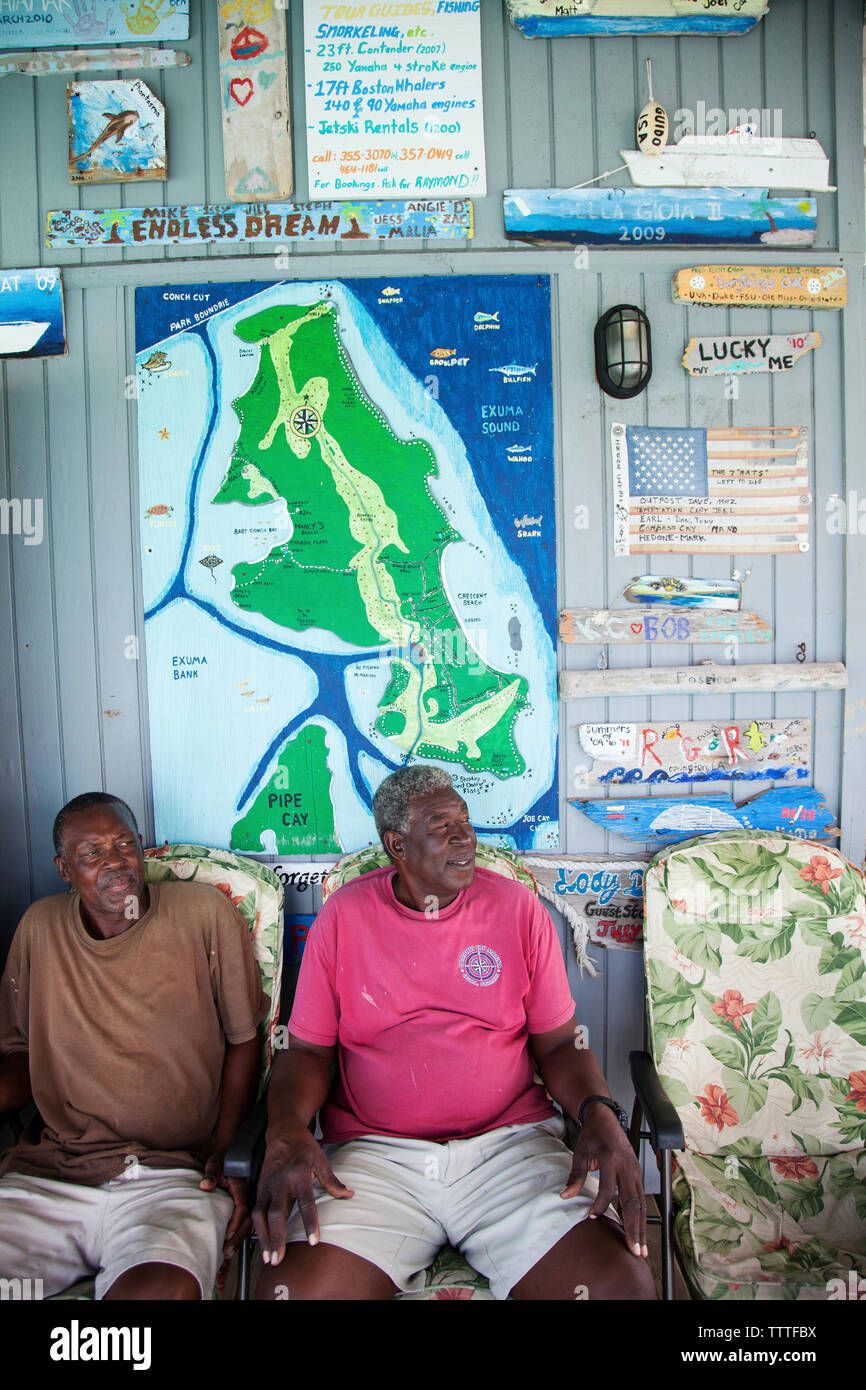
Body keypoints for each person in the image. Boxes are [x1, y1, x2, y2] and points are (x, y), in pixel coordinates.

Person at [254, 766, 655, 1301]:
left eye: (464, 820)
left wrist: (600, 1112)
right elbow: (306, 1052)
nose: (464, 836)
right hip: (375, 1159)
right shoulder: (342, 919)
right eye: (441, 825)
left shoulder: (518, 911)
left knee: (618, 1288)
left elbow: (560, 1043)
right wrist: (285, 1128)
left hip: (509, 1152)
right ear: (396, 844)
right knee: (292, 1295)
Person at [0, 792, 268, 1300]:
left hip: (173, 1175)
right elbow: (18, 1051)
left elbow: (244, 1040)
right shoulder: (39, 927)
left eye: (124, 843)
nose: (114, 861)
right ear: (64, 869)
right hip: (54, 1173)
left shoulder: (202, 914)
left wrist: (225, 1146)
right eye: (91, 853)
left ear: (141, 847)